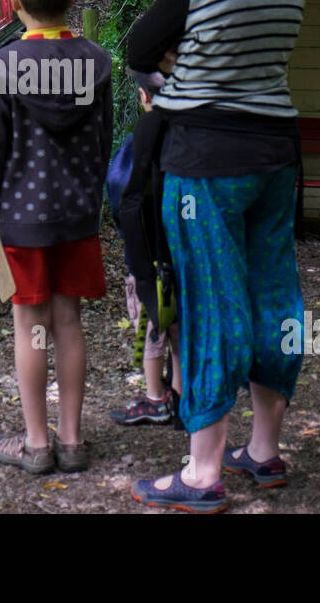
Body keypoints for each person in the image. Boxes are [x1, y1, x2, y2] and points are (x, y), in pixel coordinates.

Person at [124, 0, 304, 513]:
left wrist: (176, 66)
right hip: (277, 155)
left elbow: (140, 44)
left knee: (209, 304)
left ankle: (201, 474)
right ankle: (263, 451)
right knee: (273, 297)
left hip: (204, 159)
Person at [0, 0, 113, 474]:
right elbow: (103, 143)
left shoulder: (1, 67)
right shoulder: (95, 62)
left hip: (21, 220)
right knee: (69, 321)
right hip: (76, 215)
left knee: (30, 324)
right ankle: (73, 440)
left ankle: (36, 443)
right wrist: (91, 201)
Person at [105, 69, 183, 428]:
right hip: (183, 260)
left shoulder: (136, 146)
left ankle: (155, 397)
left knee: (151, 329)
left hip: (146, 263)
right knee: (181, 327)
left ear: (143, 96)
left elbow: (121, 195)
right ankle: (182, 395)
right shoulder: (186, 141)